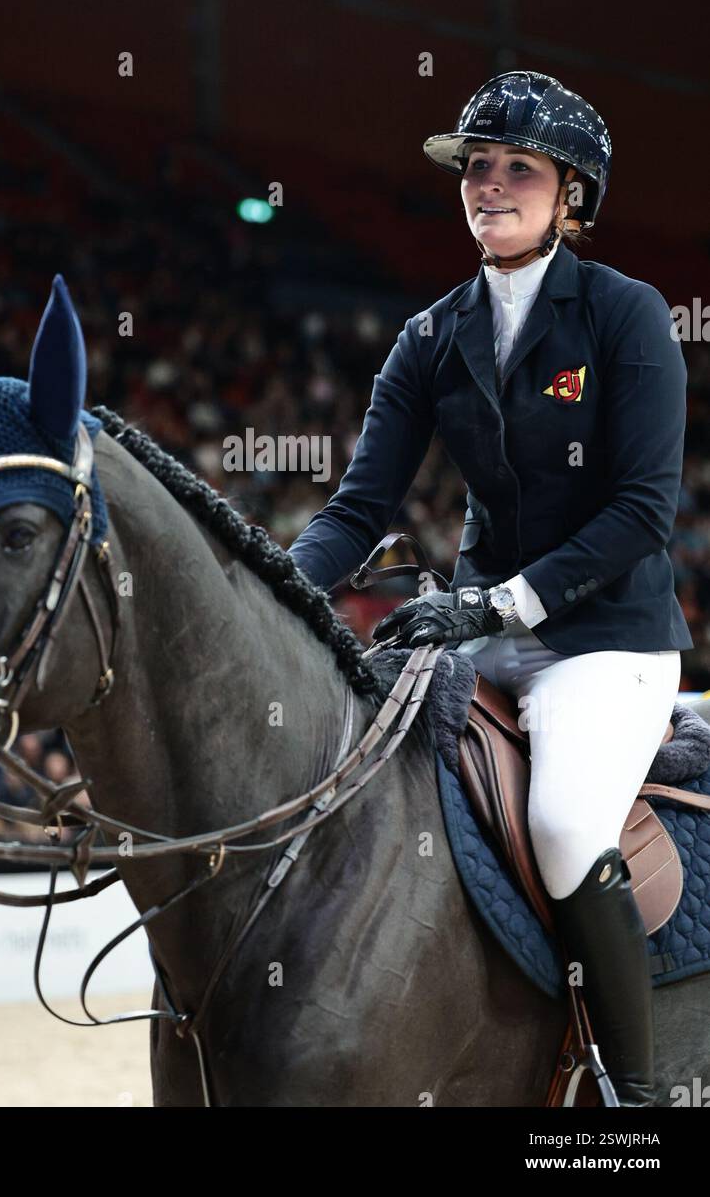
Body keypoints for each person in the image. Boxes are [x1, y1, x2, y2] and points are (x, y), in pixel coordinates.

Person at [288, 70, 693, 1106]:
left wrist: (496, 603)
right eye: (475, 166)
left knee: (561, 818)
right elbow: (353, 511)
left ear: (570, 196)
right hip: (475, 636)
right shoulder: (428, 336)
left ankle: (629, 1101)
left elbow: (642, 510)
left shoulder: (624, 314)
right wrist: (268, 585)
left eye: (518, 168)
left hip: (604, 636)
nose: (488, 184)